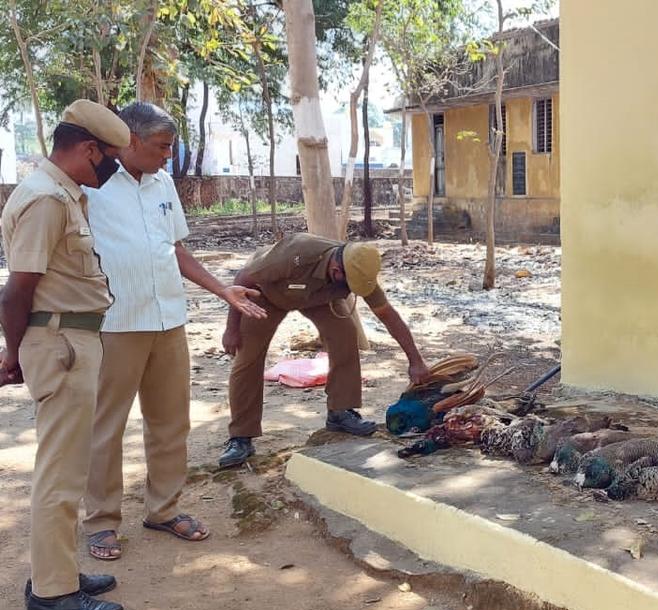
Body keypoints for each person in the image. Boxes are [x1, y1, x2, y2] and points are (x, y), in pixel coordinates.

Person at [81, 102, 268, 562]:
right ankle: (101, 521)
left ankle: (163, 509)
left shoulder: (163, 182)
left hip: (169, 319)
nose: (170, 155)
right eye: (163, 146)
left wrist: (221, 289)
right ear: (132, 141)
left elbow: (175, 249)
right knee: (106, 426)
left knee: (170, 422)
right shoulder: (91, 187)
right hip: (116, 322)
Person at [0, 100, 129, 610]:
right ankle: (53, 592)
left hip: (71, 340)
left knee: (68, 467)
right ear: (87, 148)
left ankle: (60, 573)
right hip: (60, 344)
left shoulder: (64, 195)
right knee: (62, 472)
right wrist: (15, 354)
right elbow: (15, 292)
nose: (113, 168)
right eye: (110, 158)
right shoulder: (47, 200)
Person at [217, 233, 432, 468]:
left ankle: (340, 411)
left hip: (317, 298)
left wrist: (416, 360)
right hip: (266, 295)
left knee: (345, 336)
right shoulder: (296, 253)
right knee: (248, 357)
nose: (350, 290)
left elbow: (387, 315)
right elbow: (242, 279)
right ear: (337, 270)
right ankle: (241, 437)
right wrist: (232, 329)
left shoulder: (358, 268)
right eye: (348, 286)